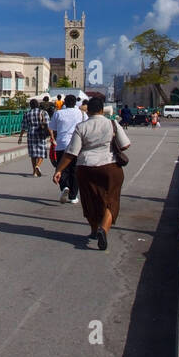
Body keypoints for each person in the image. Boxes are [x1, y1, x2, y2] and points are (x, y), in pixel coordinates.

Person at [53, 95, 129, 250]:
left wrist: (59, 170)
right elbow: (125, 145)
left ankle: (94, 230)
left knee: (90, 200)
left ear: (88, 111)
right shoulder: (112, 124)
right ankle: (104, 230)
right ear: (102, 109)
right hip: (110, 166)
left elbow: (71, 152)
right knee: (111, 200)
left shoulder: (81, 127)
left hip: (86, 167)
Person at [49, 93, 87, 204]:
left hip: (61, 144)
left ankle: (64, 187)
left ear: (65, 102)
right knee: (75, 170)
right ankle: (73, 196)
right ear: (75, 103)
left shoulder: (58, 113)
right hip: (77, 145)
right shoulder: (82, 114)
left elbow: (52, 128)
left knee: (61, 168)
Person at [19, 98, 51, 177]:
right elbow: (48, 125)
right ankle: (38, 166)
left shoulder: (27, 114)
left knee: (33, 154)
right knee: (41, 152)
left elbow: (24, 126)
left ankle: (34, 172)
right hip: (41, 134)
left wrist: (20, 137)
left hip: (31, 134)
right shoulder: (43, 112)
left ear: (30, 106)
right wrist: (52, 136)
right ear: (38, 105)